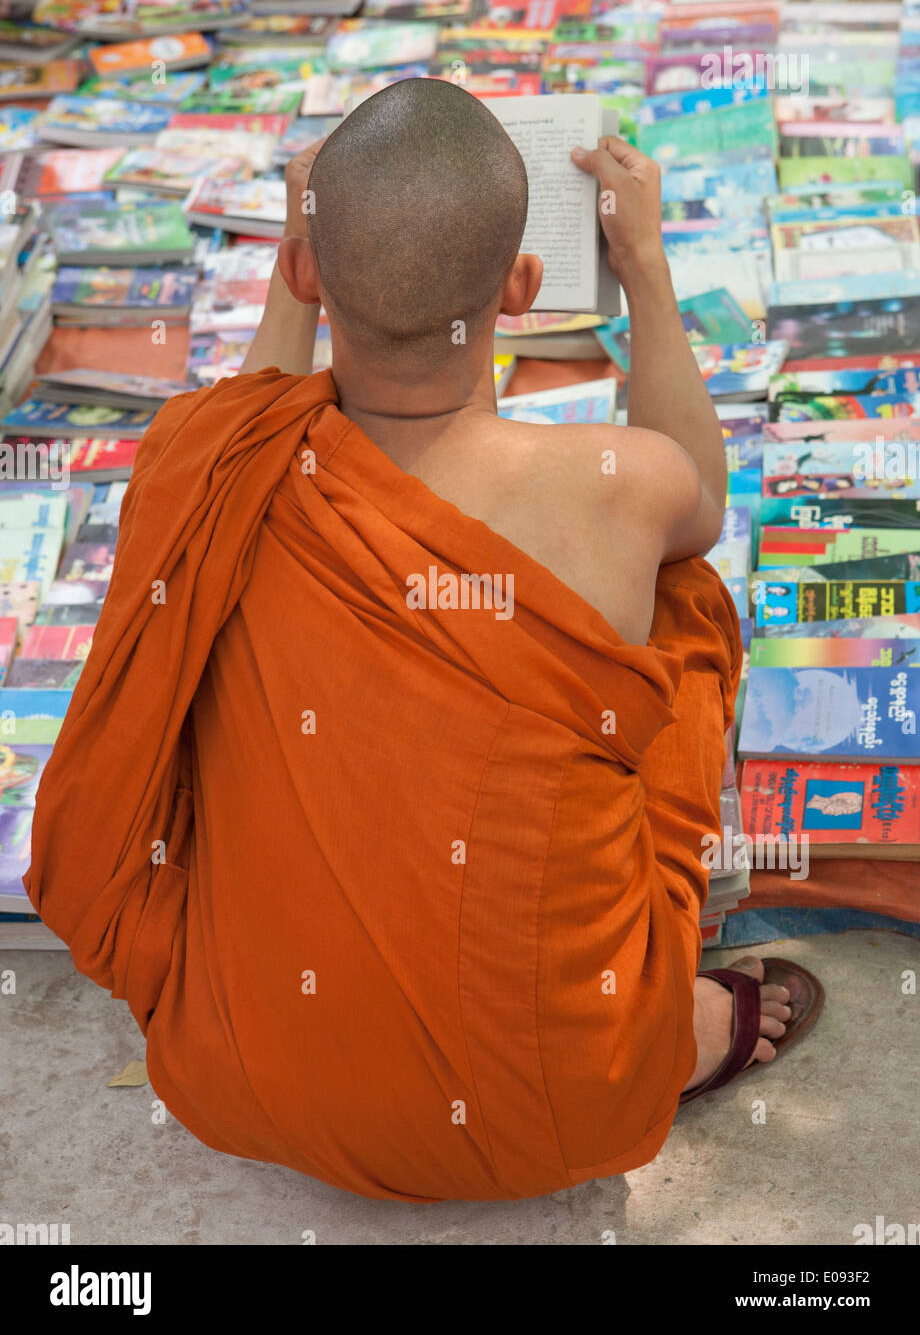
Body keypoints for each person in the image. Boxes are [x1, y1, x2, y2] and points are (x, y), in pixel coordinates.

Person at [26, 79, 821, 1203]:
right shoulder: (616, 487)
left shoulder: (205, 456)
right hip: (558, 1100)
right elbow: (700, 499)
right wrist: (643, 264)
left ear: (301, 272)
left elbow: (257, 402)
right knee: (683, 592)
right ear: (522, 287)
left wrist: (306, 249)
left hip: (239, 1072)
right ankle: (665, 1030)